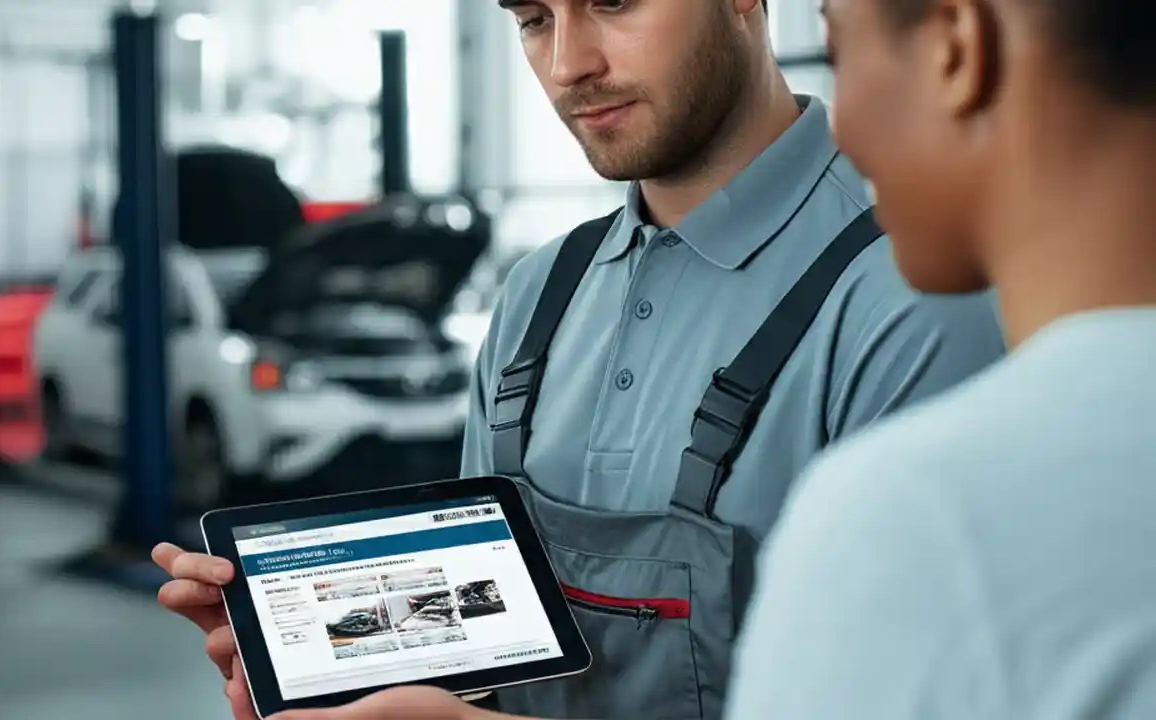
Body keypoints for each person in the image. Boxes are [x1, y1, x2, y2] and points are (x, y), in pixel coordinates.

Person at [232, 0, 1156, 717]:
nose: (569, 64)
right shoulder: (534, 297)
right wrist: (345, 662)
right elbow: (485, 654)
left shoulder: (920, 291)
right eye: (534, 19)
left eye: (614, 2)